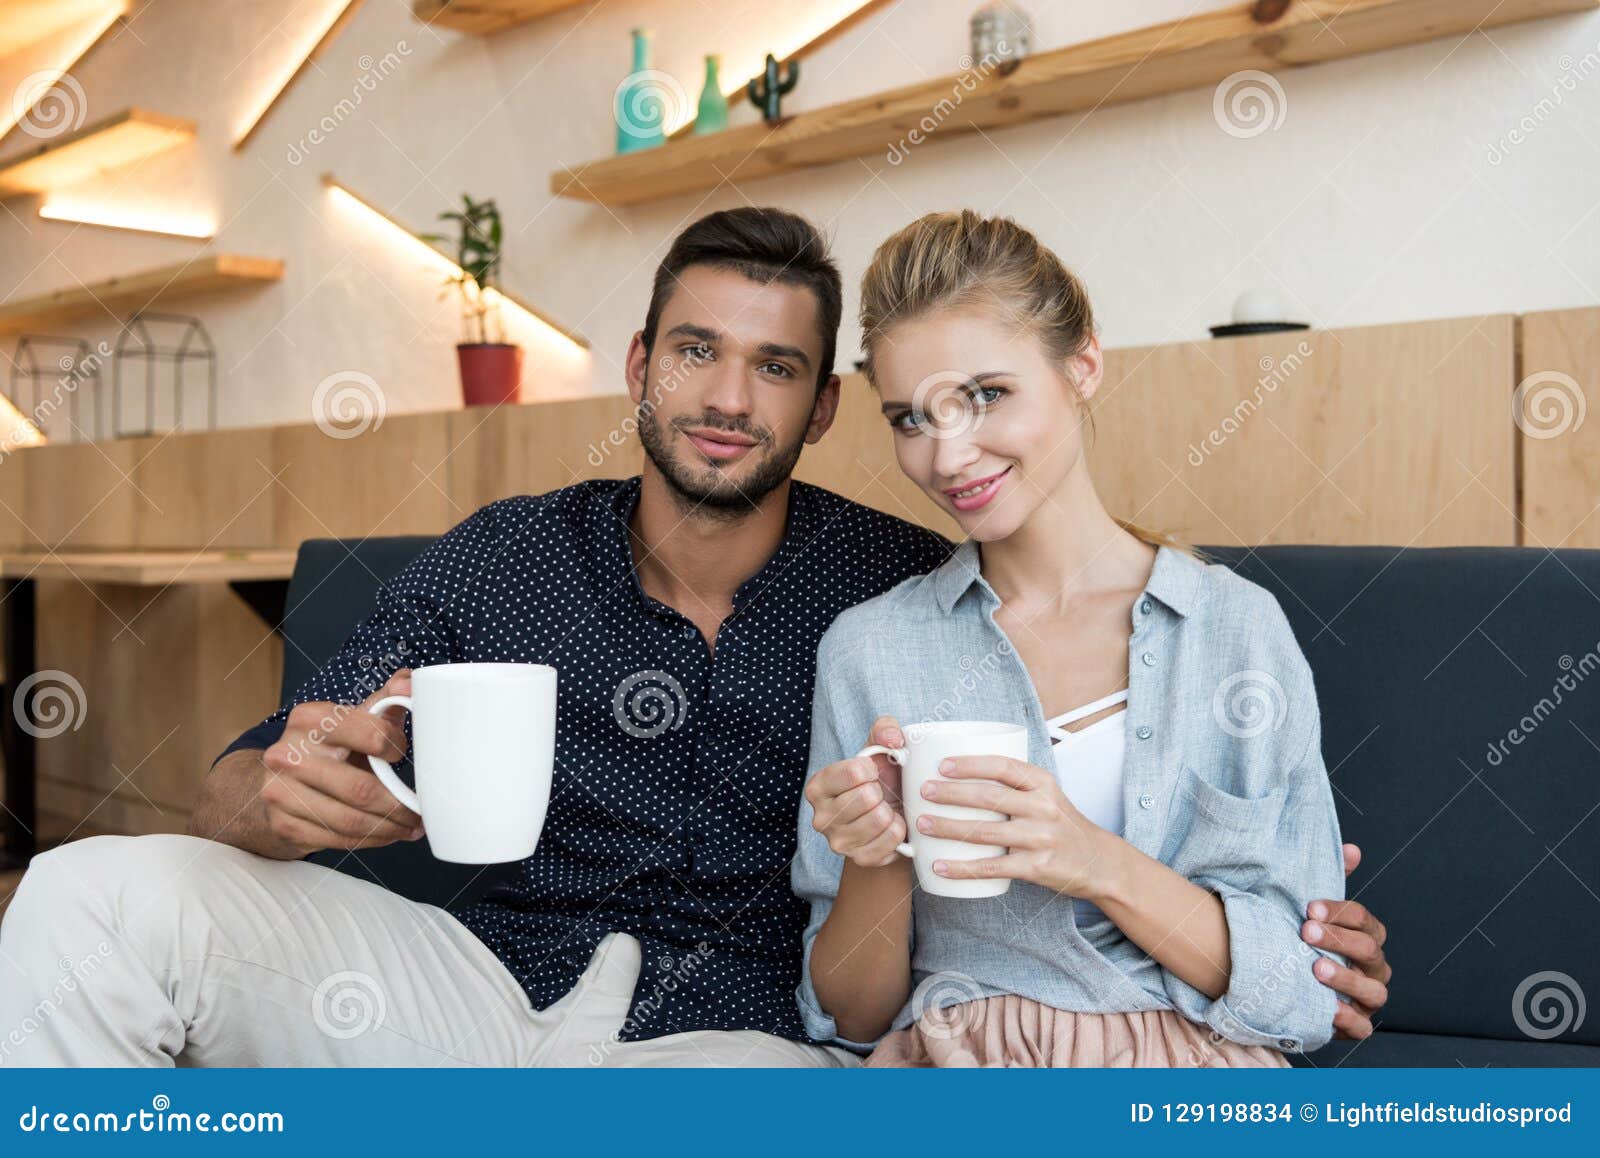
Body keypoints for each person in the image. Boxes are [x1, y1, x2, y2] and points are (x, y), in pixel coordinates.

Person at [0, 208, 1387, 1068]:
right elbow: (268, 760)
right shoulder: (509, 554)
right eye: (695, 351)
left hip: (739, 1039)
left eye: (776, 366)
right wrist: (273, 791)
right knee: (86, 896)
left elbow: (1212, 880)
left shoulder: (905, 589)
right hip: (466, 993)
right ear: (638, 365)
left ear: (820, 408)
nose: (729, 398)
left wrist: (1289, 934)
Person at [794, 209, 1383, 1067]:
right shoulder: (869, 649)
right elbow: (850, 1019)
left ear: (1083, 367)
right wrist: (876, 857)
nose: (947, 458)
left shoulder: (1236, 630)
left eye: (986, 396)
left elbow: (1303, 995)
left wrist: (1092, 860)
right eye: (911, 419)